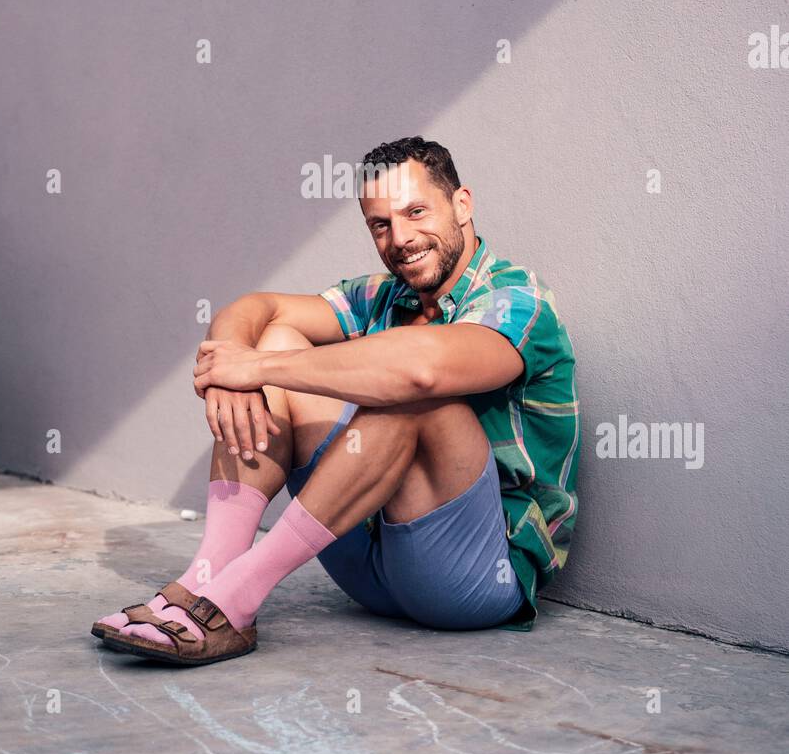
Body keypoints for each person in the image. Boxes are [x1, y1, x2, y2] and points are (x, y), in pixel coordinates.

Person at [93, 136, 581, 666]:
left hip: (471, 578)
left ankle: (233, 599)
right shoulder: (381, 295)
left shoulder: (518, 299)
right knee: (276, 338)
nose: (401, 238)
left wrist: (252, 368)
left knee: (414, 400)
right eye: (381, 224)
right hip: (367, 566)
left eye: (417, 212)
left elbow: (421, 371)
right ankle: (206, 577)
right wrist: (233, 360)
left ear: (462, 205)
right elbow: (255, 308)